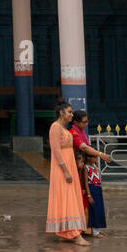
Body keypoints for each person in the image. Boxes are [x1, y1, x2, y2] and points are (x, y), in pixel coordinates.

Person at [46, 101, 88, 244]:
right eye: (69, 112)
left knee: (70, 198)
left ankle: (66, 232)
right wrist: (65, 171)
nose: (71, 114)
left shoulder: (63, 128)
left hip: (69, 167)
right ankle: (75, 235)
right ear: (61, 113)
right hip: (62, 170)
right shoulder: (55, 127)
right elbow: (56, 151)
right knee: (67, 198)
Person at [83, 147, 107, 237]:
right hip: (92, 189)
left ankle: (97, 229)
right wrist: (89, 195)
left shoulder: (95, 166)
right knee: (94, 210)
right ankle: (95, 232)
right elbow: (86, 182)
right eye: (94, 157)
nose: (95, 159)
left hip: (98, 189)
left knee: (99, 209)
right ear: (88, 157)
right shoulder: (86, 167)